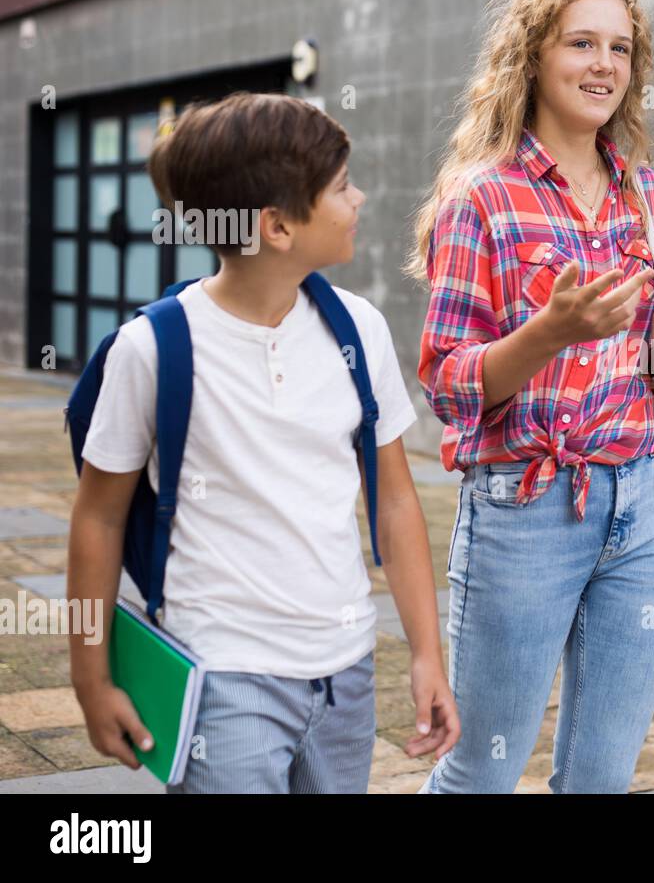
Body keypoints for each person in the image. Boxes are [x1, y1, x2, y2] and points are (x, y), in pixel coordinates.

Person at [68, 92, 459, 793]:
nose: (360, 198)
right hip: (225, 677)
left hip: (345, 673)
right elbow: (96, 519)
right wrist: (91, 678)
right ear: (278, 227)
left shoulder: (358, 330)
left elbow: (395, 501)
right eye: (341, 187)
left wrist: (428, 654)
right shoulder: (152, 348)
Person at [411, 0, 654, 794]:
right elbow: (447, 381)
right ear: (533, 56)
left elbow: (632, 373)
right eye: (581, 42)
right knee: (482, 770)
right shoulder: (483, 197)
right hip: (525, 508)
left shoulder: (641, 193)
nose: (603, 64)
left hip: (643, 495)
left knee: (603, 775)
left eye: (620, 47)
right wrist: (549, 333)